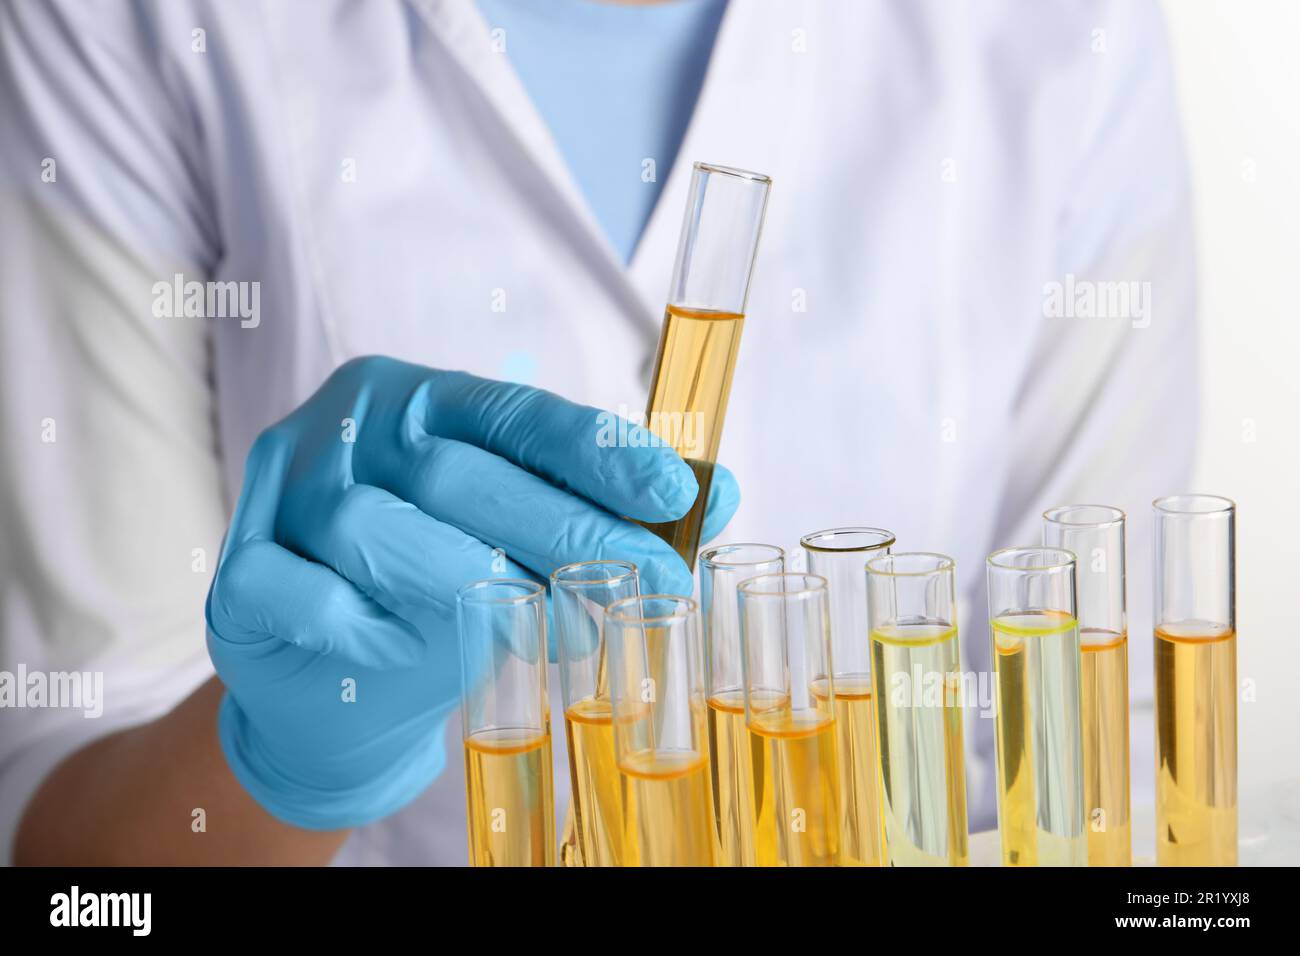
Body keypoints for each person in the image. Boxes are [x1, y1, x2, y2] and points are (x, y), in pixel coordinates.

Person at [0, 0, 1196, 865]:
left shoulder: (1066, 33)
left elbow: (1119, 760)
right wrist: (286, 759)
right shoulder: (119, 23)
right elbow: (73, 880)